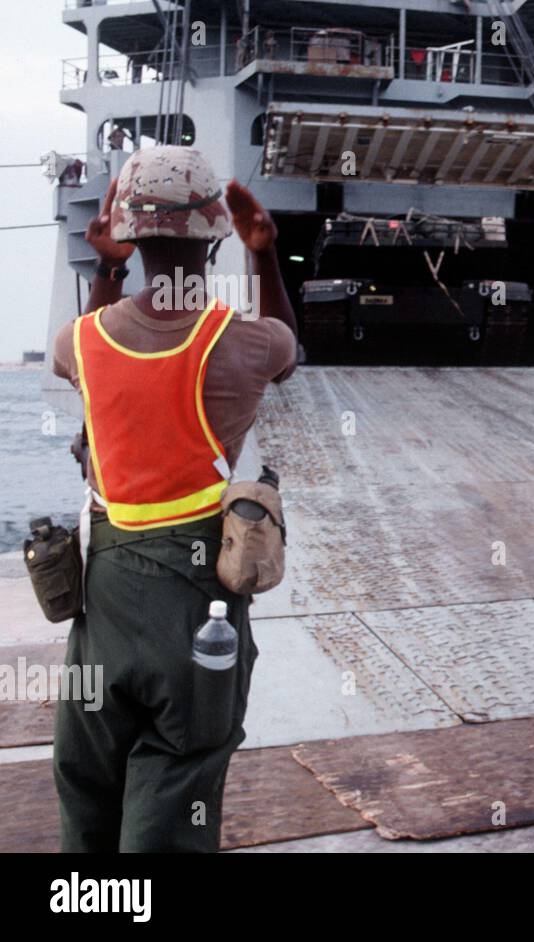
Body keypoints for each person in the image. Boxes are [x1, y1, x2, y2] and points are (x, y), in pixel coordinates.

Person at [49, 145, 297, 852]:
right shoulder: (245, 344)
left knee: (86, 789)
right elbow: (291, 352)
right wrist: (265, 256)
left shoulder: (79, 340)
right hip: (194, 614)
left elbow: (84, 370)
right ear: (216, 232)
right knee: (174, 786)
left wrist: (105, 269)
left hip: (103, 609)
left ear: (127, 231)